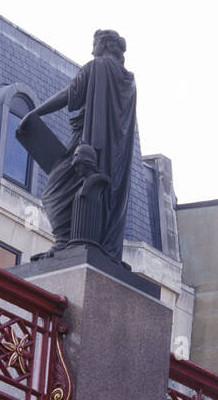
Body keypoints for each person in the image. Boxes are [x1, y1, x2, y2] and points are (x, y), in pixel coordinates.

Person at [17, 29, 136, 262]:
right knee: (90, 199)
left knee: (54, 192)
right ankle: (72, 243)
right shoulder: (128, 82)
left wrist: (35, 112)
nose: (92, 50)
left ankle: (63, 242)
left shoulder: (97, 67)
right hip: (114, 159)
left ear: (104, 45)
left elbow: (69, 95)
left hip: (86, 147)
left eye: (95, 44)